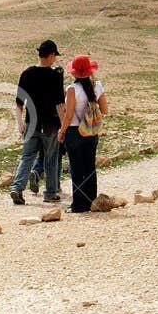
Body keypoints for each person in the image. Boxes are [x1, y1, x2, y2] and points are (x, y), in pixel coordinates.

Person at [10, 39, 65, 205]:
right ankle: (50, 193)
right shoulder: (55, 75)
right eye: (55, 56)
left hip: (31, 123)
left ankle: (17, 188)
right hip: (50, 124)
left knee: (27, 157)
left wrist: (20, 124)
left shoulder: (26, 74)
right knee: (51, 158)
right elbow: (59, 105)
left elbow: (19, 103)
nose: (55, 59)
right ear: (51, 55)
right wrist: (64, 126)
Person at [58, 53, 107, 213]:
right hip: (92, 131)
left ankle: (79, 205)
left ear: (74, 72)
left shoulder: (72, 89)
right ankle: (91, 201)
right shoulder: (97, 86)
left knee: (77, 169)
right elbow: (105, 110)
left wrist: (62, 131)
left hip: (74, 132)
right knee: (89, 167)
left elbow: (69, 115)